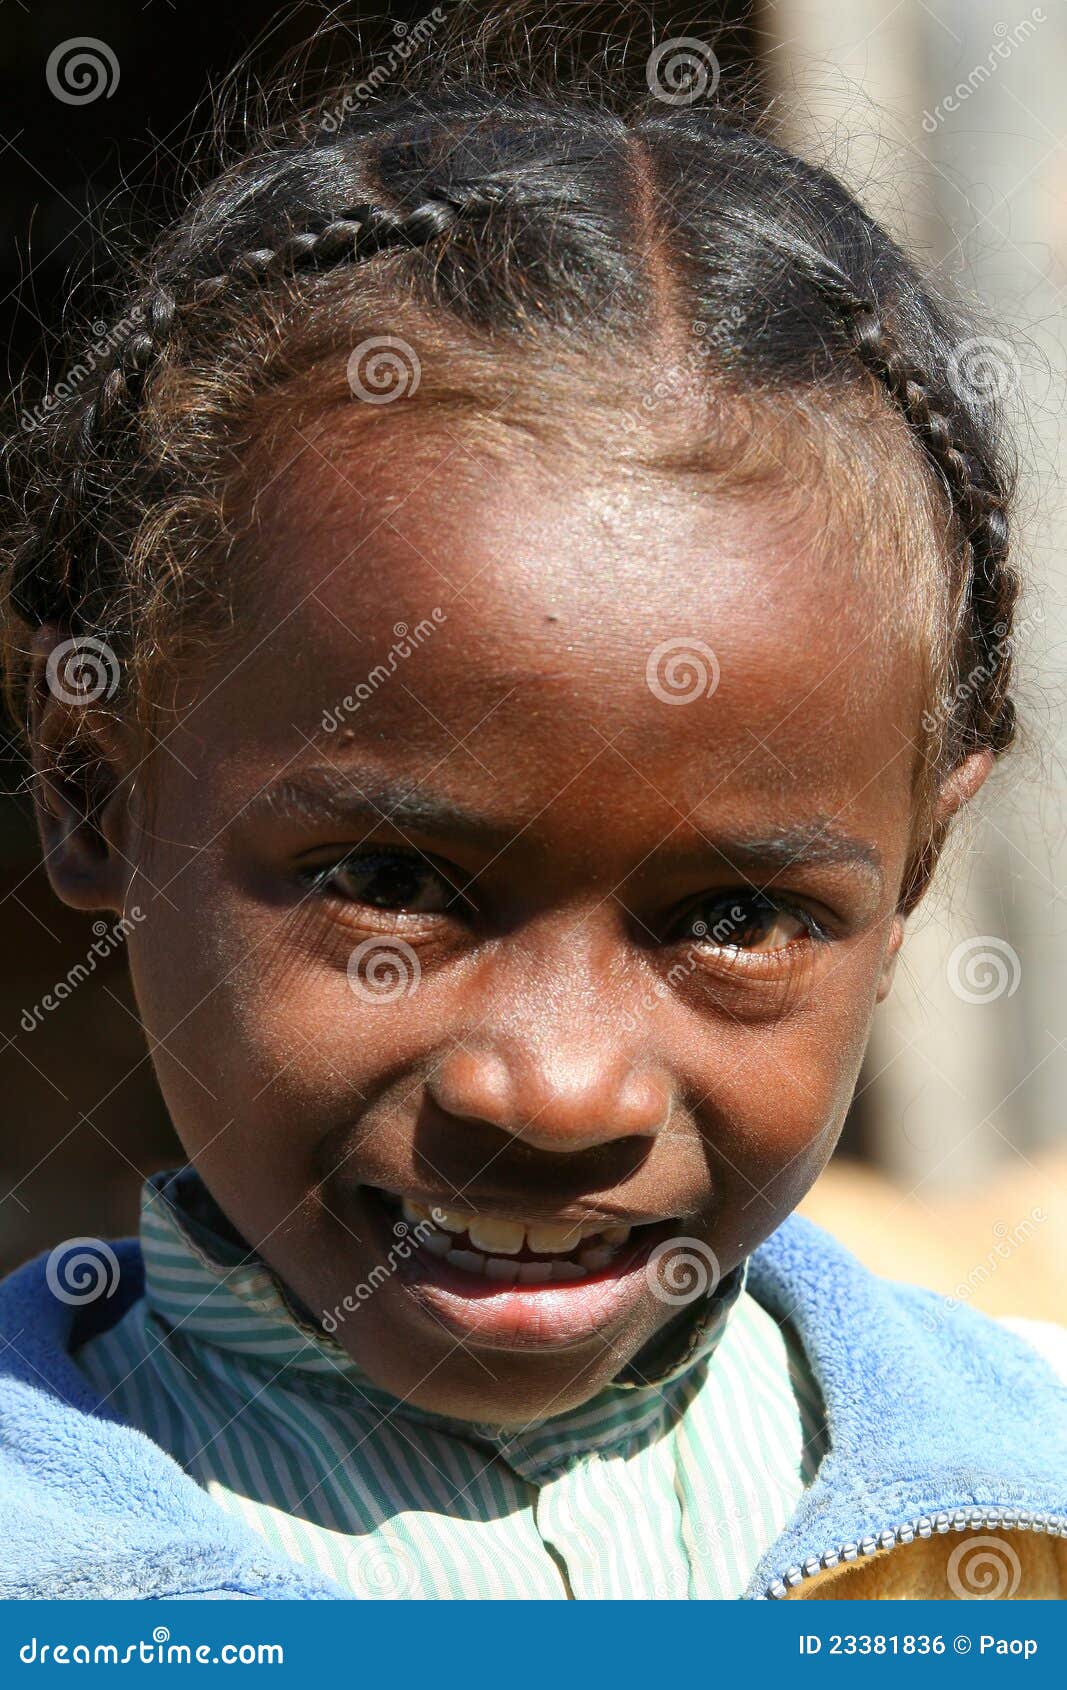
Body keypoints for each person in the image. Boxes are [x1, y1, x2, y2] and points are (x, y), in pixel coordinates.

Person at [0, 8, 1064, 1601]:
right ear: (95, 788)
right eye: (393, 878)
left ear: (916, 867)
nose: (560, 1093)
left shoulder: (1022, 1509)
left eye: (732, 916)